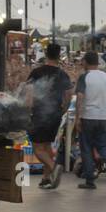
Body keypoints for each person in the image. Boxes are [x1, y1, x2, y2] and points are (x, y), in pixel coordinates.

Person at [21, 42, 72, 189]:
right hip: (55, 113)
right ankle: (46, 178)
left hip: (39, 113)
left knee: (37, 147)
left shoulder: (37, 72)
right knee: (47, 145)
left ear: (46, 53)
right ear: (58, 55)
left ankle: (54, 168)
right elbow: (69, 93)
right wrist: (64, 108)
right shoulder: (63, 74)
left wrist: (27, 109)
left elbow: (29, 94)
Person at [73, 51, 106, 190]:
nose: (81, 64)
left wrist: (77, 118)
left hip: (88, 117)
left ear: (86, 62)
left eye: (82, 61)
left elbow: (80, 98)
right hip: (103, 118)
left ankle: (89, 181)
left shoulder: (84, 77)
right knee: (103, 147)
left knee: (86, 149)